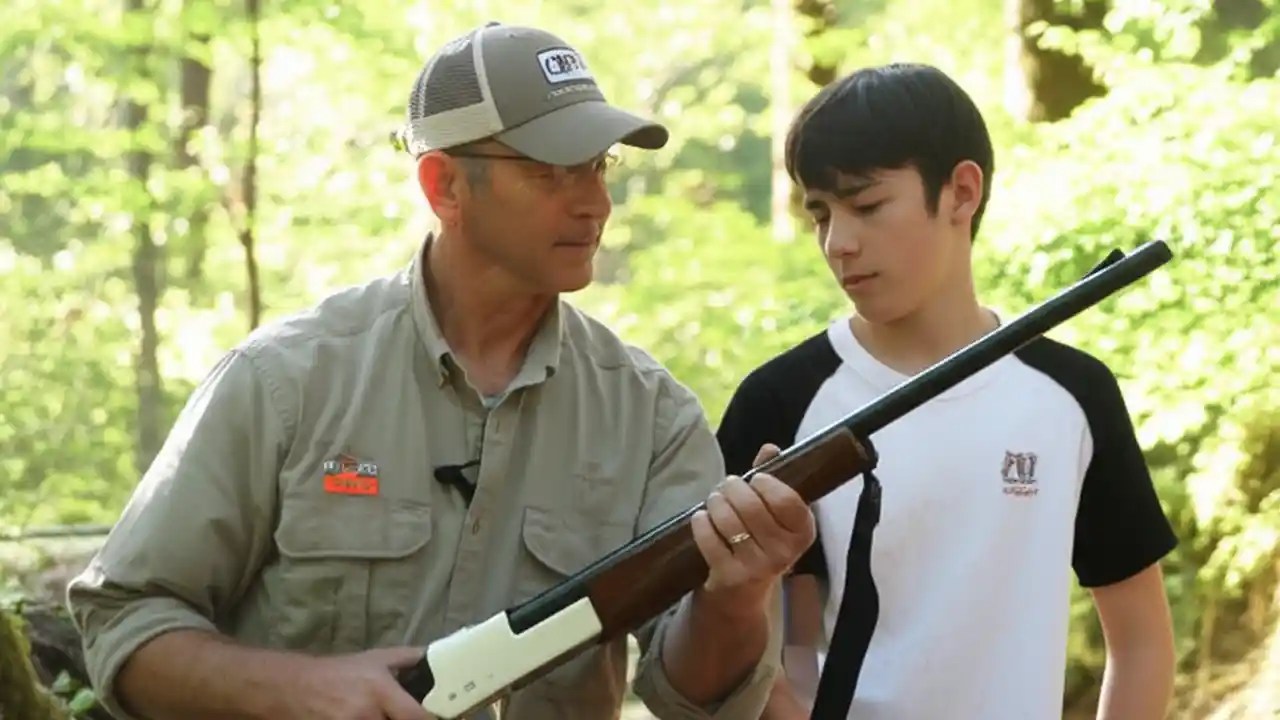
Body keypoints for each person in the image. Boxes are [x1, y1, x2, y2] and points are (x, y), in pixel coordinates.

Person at [66, 22, 814, 720]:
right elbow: (123, 617)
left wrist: (738, 592)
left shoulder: (650, 417)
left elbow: (693, 699)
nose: (595, 202)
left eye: (598, 166)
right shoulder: (283, 382)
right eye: (551, 171)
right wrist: (306, 691)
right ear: (444, 187)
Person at [715, 62, 1179, 720]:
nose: (838, 243)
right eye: (820, 214)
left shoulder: (1072, 396)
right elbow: (769, 650)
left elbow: (1140, 643)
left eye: (867, 205)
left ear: (962, 192)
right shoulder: (783, 403)